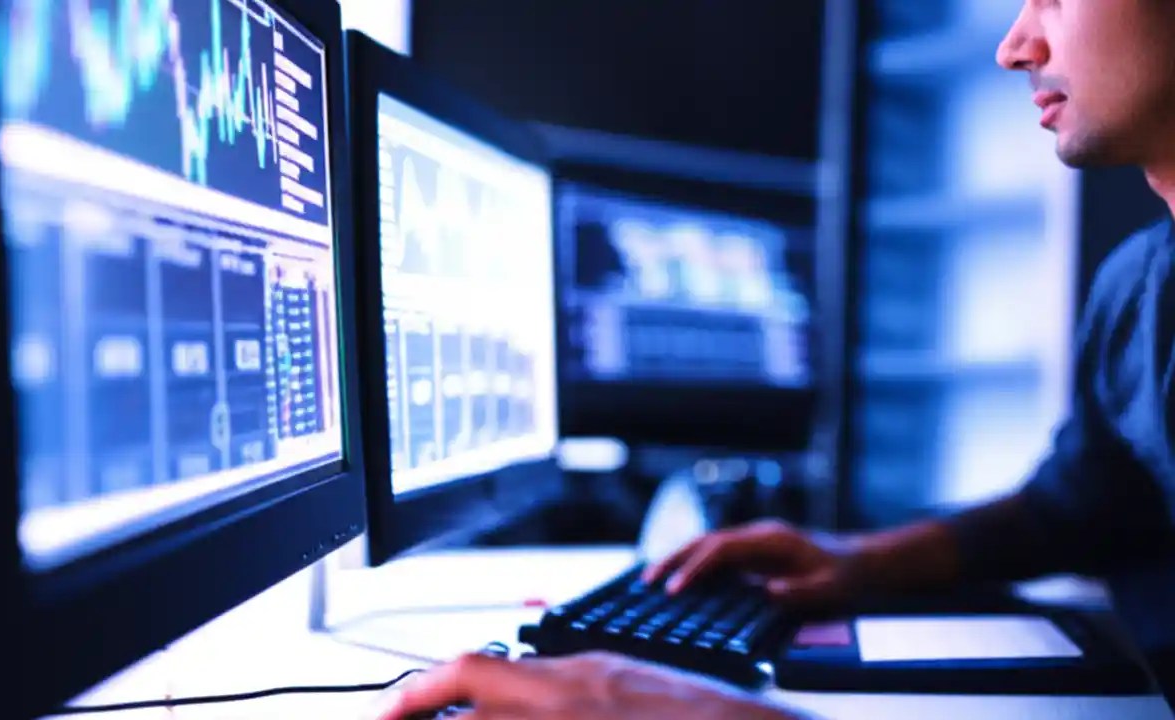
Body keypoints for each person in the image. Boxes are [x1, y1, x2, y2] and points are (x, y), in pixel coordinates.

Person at [380, 0, 1175, 717]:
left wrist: (698, 713)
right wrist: (860, 560)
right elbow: (1082, 504)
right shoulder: (1139, 281)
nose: (1015, 46)